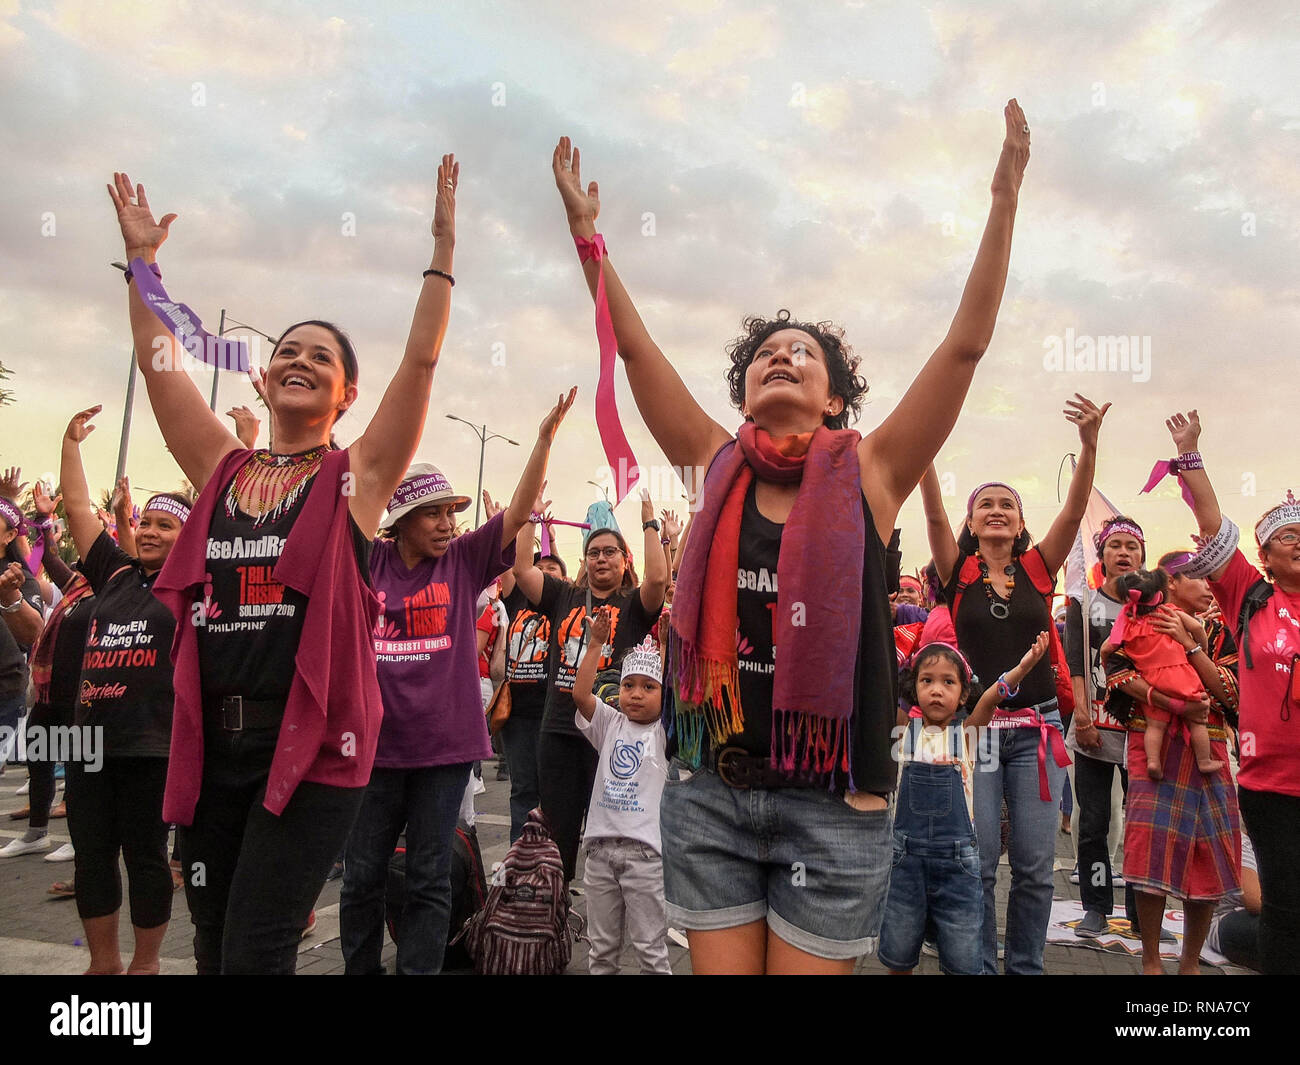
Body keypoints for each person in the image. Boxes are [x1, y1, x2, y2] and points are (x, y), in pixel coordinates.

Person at [551, 100, 1032, 974]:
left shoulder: (874, 473)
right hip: (712, 798)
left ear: (836, 397)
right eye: (766, 351)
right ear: (741, 395)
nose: (782, 356)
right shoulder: (711, 460)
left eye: (802, 352)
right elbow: (633, 350)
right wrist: (592, 242)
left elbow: (964, 347)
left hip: (832, 807)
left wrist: (1002, 198)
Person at [106, 155, 460, 973]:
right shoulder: (223, 469)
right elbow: (160, 372)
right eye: (286, 352)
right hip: (208, 749)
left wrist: (441, 252)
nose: (298, 360)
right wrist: (143, 266)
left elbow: (421, 363)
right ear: (262, 380)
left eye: (321, 358)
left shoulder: (356, 479)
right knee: (213, 945)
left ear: (346, 396)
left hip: (310, 751)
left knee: (256, 950)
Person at [340, 389, 574, 976]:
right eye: (435, 513)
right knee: (362, 873)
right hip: (372, 752)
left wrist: (543, 442)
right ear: (400, 522)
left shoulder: (464, 562)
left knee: (427, 875)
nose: (449, 524)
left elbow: (517, 514)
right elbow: (341, 506)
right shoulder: (368, 562)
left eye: (452, 513)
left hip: (444, 753)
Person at [924, 396, 1109, 974]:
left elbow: (1076, 511)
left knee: (1032, 865)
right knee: (977, 865)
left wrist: (1088, 444)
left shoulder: (1037, 569)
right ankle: (976, 964)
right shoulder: (958, 570)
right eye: (986, 505)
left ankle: (1025, 966)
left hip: (1038, 730)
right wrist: (924, 453)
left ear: (1022, 523)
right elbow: (931, 514)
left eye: (1008, 505)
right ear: (972, 522)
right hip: (976, 734)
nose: (997, 511)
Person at [1137, 410, 1286, 970]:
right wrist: (1191, 455)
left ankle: (1201, 951)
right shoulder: (1250, 603)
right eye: (1286, 537)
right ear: (1263, 557)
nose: (1299, 545)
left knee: (1208, 867)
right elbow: (1122, 673)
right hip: (1260, 774)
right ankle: (1168, 956)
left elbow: (1223, 694)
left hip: (1216, 748)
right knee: (1159, 860)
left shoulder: (1216, 627)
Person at [58, 406, 187, 974]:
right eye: (149, 523)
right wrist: (71, 445)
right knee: (91, 857)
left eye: (167, 526)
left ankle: (146, 965)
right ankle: (103, 964)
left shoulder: (192, 585)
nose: (153, 532)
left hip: (152, 745)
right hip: (89, 743)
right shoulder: (114, 571)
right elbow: (80, 510)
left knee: (146, 858)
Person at [511, 489, 668, 881]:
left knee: (612, 833)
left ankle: (613, 913)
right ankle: (555, 912)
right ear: (585, 560)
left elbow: (660, 578)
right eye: (594, 551)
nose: (601, 558)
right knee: (558, 833)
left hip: (613, 737)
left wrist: (650, 523)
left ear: (623, 559)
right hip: (560, 732)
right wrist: (530, 518)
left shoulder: (633, 604)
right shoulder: (562, 594)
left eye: (610, 551)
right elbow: (520, 570)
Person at [880, 634, 1049, 975]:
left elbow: (991, 697)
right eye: (926, 681)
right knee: (898, 955)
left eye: (948, 682)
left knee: (961, 960)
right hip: (905, 865)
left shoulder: (968, 735)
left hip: (958, 870)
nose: (936, 690)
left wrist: (1024, 667)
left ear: (963, 693)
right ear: (913, 690)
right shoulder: (903, 733)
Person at [572, 610, 671, 974]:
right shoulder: (610, 723)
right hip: (598, 854)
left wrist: (665, 647)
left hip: (645, 859)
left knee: (650, 951)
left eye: (649, 687)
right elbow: (581, 695)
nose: (635, 695)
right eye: (629, 685)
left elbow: (677, 697)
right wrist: (596, 644)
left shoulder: (666, 732)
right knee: (601, 952)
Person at [1064, 515, 1144, 938]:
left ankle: (1138, 913)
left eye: (1132, 546)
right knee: (1094, 822)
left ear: (1142, 556)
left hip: (1142, 731)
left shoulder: (1153, 604)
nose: (1124, 553)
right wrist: (1081, 716)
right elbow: (1075, 661)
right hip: (1095, 728)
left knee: (1139, 825)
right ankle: (1096, 906)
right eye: (1115, 545)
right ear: (1103, 555)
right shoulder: (1084, 603)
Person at [1103, 569, 1224, 779]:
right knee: (1197, 721)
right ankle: (1204, 760)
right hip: (1182, 676)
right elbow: (1197, 627)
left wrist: (1106, 664)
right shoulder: (1169, 612)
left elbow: (1106, 649)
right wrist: (1199, 648)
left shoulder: (1127, 622)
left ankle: (1153, 762)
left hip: (1152, 681)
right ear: (1161, 590)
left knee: (1155, 727)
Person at [496, 518, 566, 843]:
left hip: (552, 714)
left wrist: (553, 538)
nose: (547, 572)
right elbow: (514, 563)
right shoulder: (515, 599)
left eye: (554, 569)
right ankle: (517, 862)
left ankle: (551, 870)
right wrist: (527, 520)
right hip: (518, 715)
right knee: (522, 790)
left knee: (553, 794)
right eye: (543, 568)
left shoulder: (566, 603)